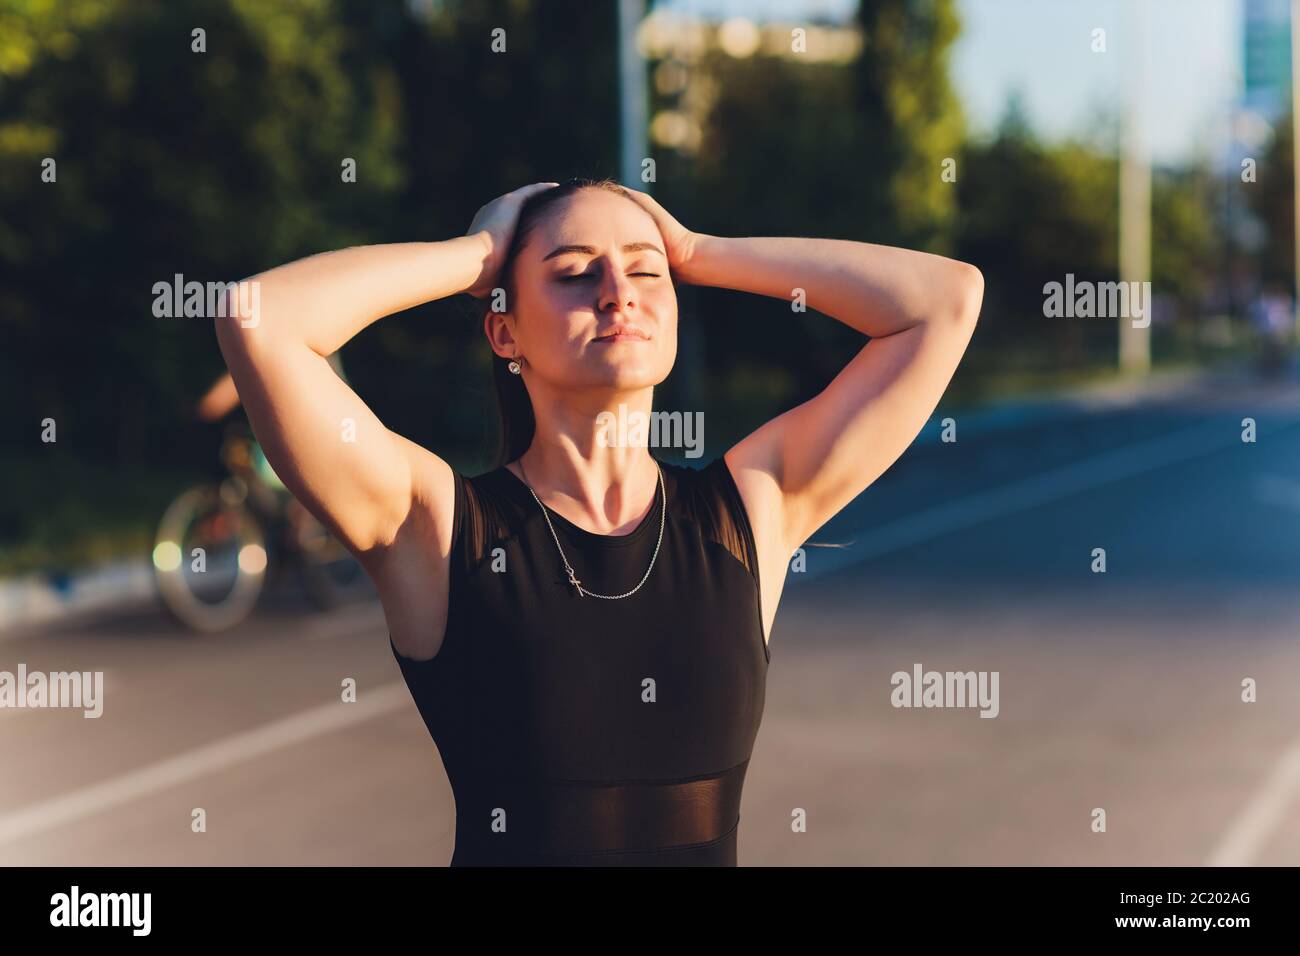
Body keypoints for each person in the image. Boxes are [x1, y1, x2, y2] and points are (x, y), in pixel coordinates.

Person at [212, 178, 983, 865]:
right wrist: (476, 253)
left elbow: (944, 301)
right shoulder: (441, 528)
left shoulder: (749, 510)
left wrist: (697, 248)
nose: (618, 290)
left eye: (645, 272)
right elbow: (259, 318)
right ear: (504, 333)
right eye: (576, 272)